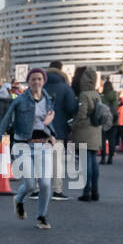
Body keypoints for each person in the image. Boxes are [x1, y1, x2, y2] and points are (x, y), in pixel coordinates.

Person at [0, 68, 56, 229]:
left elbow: (48, 120)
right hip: (23, 144)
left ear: (44, 81)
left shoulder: (48, 99)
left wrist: (52, 133)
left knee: (45, 184)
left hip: (43, 144)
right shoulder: (20, 100)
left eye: (39, 79)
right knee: (30, 184)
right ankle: (19, 199)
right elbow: (6, 119)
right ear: (28, 82)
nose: (36, 82)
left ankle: (41, 216)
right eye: (33, 79)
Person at [42, 61, 78, 198]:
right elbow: (71, 107)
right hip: (58, 129)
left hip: (40, 128)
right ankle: (57, 190)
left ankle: (37, 189)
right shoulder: (65, 87)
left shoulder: (40, 84)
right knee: (57, 161)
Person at [70, 66, 102, 204]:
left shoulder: (84, 95)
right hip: (95, 131)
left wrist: (73, 125)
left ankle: (86, 191)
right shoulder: (96, 94)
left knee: (85, 163)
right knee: (94, 162)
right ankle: (95, 190)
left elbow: (82, 114)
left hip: (84, 131)